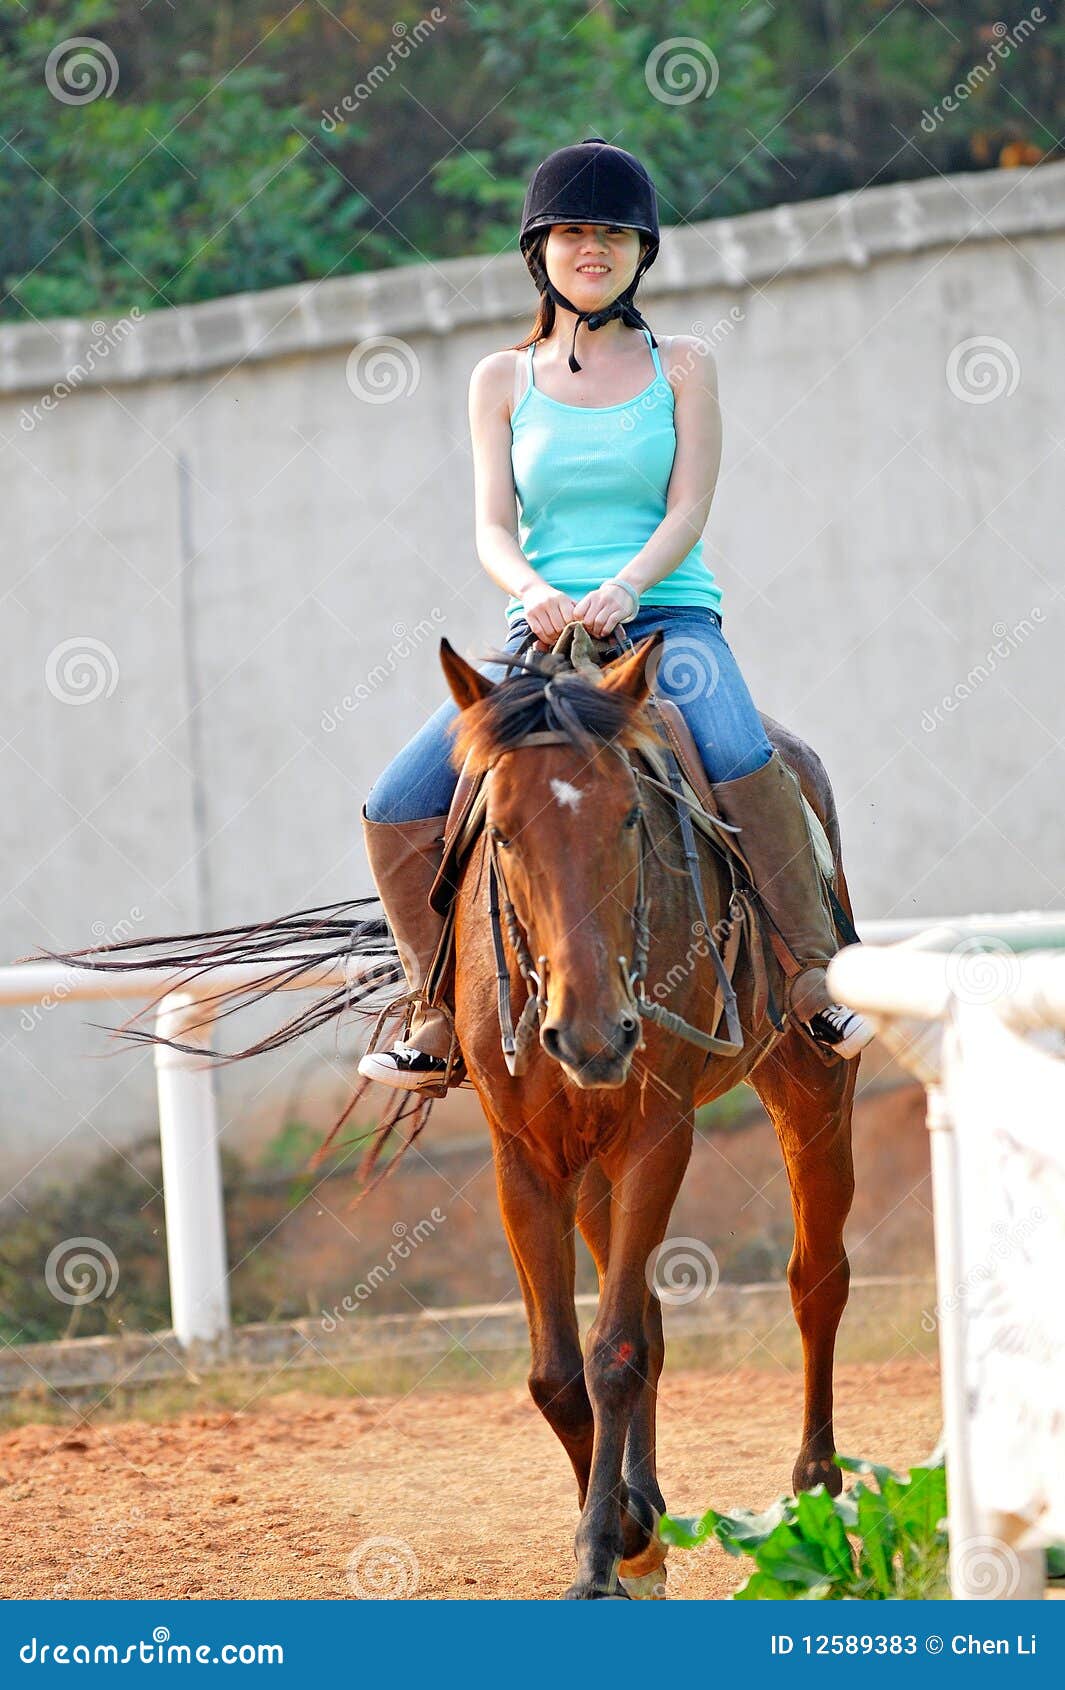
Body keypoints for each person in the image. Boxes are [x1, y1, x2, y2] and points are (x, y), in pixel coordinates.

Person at [358, 136, 873, 1090]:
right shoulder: (499, 380)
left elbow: (688, 506)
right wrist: (531, 591)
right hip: (542, 636)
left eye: (613, 234)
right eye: (572, 233)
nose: (591, 249)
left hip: (666, 623)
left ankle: (809, 979)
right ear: (539, 251)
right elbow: (489, 528)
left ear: (641, 253)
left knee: (741, 757)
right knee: (396, 801)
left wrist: (630, 585)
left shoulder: (682, 363)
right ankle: (435, 1009)